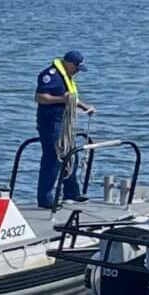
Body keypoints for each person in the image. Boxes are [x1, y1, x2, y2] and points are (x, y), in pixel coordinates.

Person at [34, 51, 94, 209]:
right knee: (53, 158)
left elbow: (71, 96)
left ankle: (71, 192)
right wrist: (61, 99)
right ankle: (45, 199)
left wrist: (83, 106)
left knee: (71, 154)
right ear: (68, 63)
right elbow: (40, 97)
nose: (77, 71)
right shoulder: (51, 75)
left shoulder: (67, 76)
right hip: (51, 122)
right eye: (76, 67)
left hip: (65, 122)